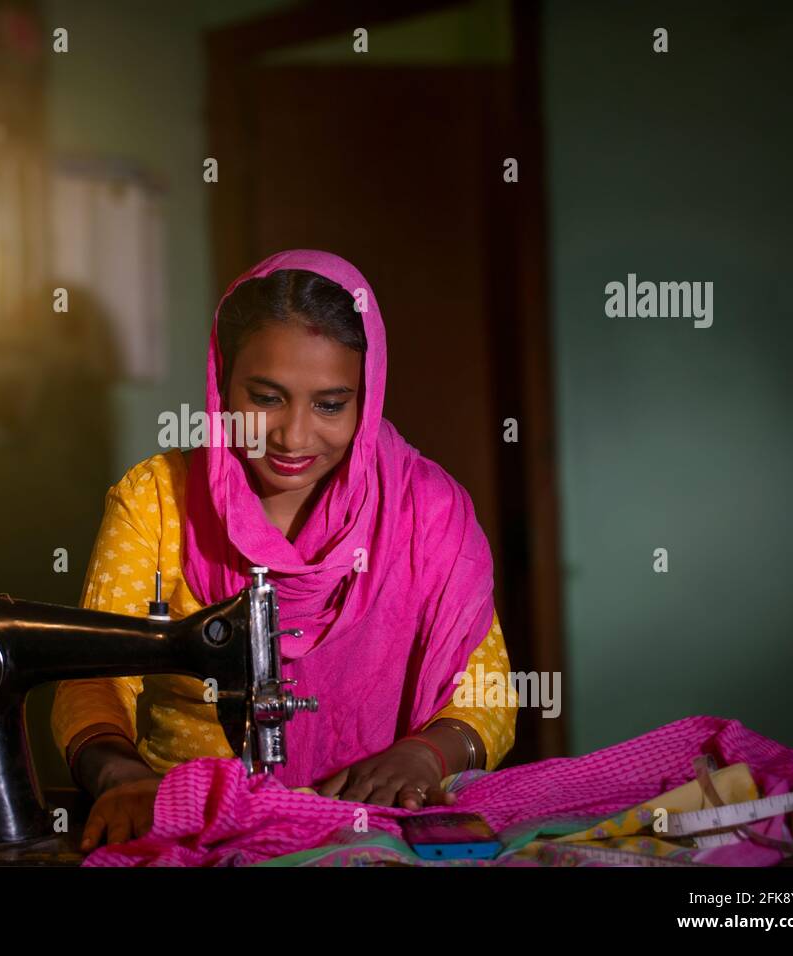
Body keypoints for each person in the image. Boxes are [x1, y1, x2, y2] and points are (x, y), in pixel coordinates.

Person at [51, 249, 517, 852]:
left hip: (375, 830)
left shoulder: (426, 510)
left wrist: (424, 756)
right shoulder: (157, 501)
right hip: (193, 828)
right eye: (266, 398)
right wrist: (123, 777)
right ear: (222, 382)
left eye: (330, 404)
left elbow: (489, 692)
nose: (294, 437)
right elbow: (93, 676)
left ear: (367, 397)